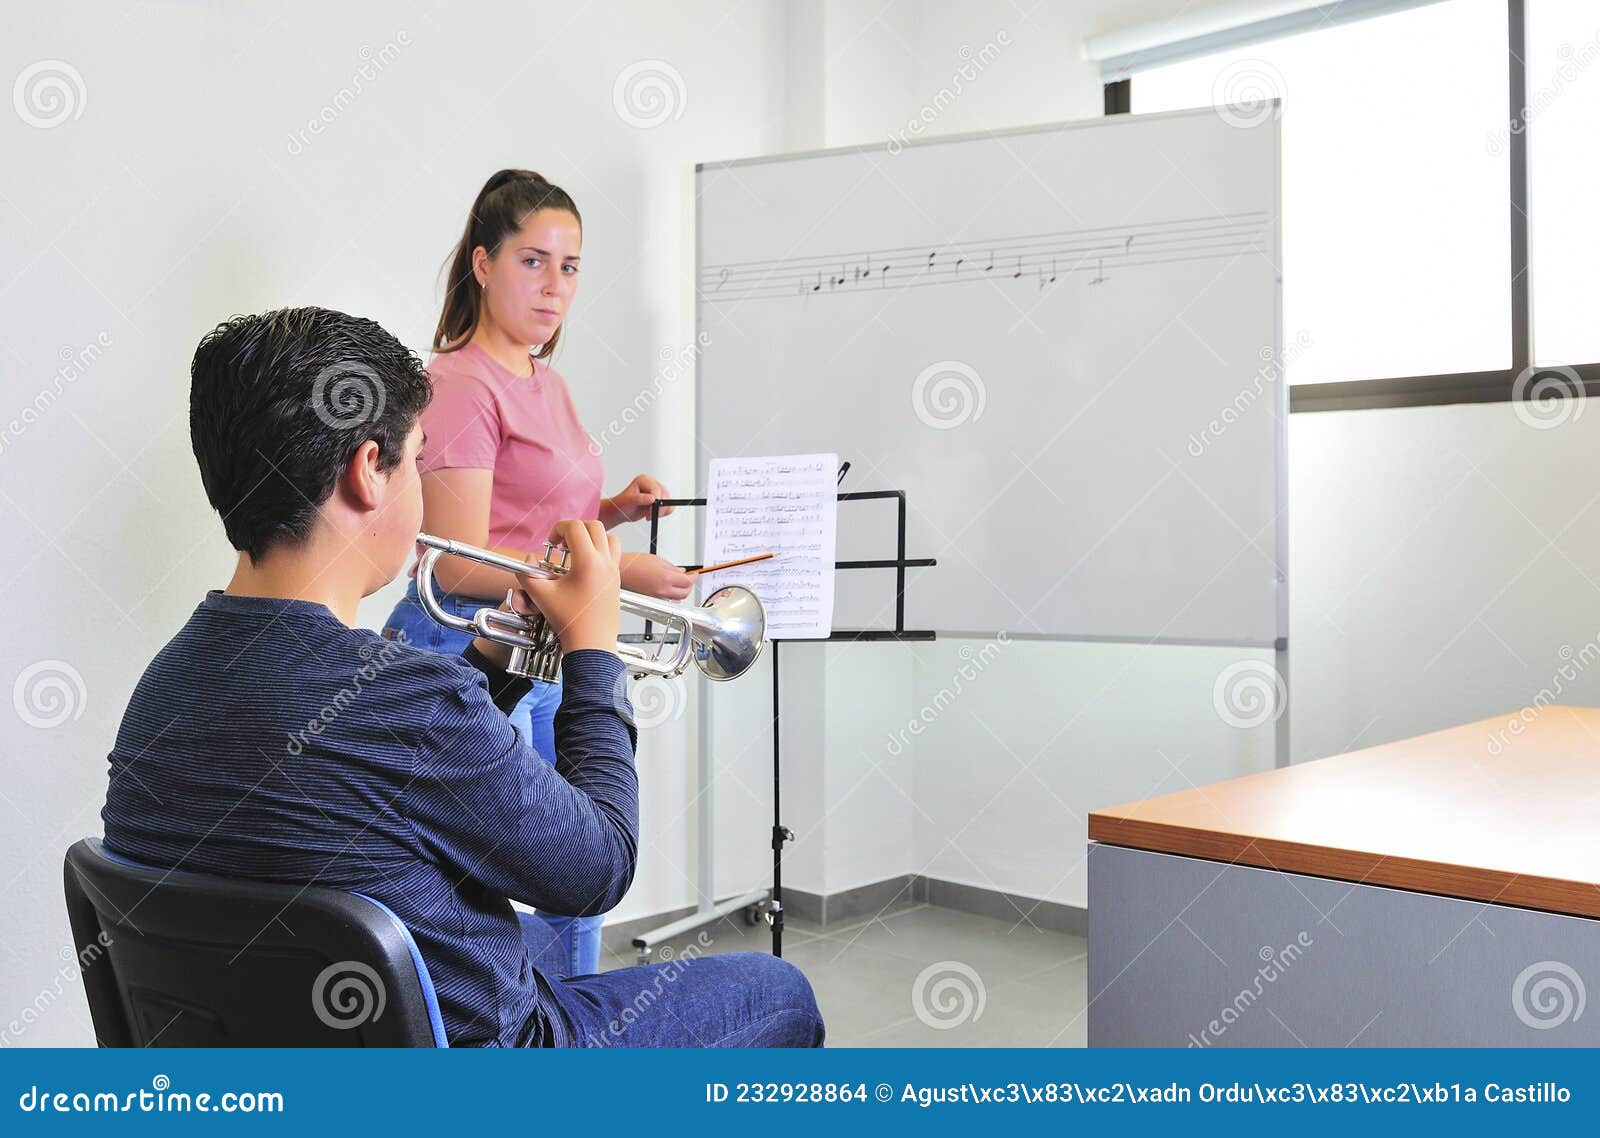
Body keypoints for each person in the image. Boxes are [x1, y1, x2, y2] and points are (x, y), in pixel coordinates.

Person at [101, 306, 823, 1048]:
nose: (421, 480)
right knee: (781, 994)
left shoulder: (163, 686)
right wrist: (593, 651)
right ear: (366, 474)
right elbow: (598, 868)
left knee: (544, 954)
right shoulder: (406, 701)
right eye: (416, 459)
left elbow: (395, 778)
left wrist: (500, 659)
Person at [382, 169, 691, 976]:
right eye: (533, 261)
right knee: (469, 881)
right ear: (482, 265)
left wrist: (613, 512)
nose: (556, 287)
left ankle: (565, 1036)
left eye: (572, 266)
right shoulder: (457, 382)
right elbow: (454, 561)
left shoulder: (544, 381)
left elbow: (538, 523)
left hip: (543, 642)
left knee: (576, 873)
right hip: (465, 646)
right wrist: (617, 574)